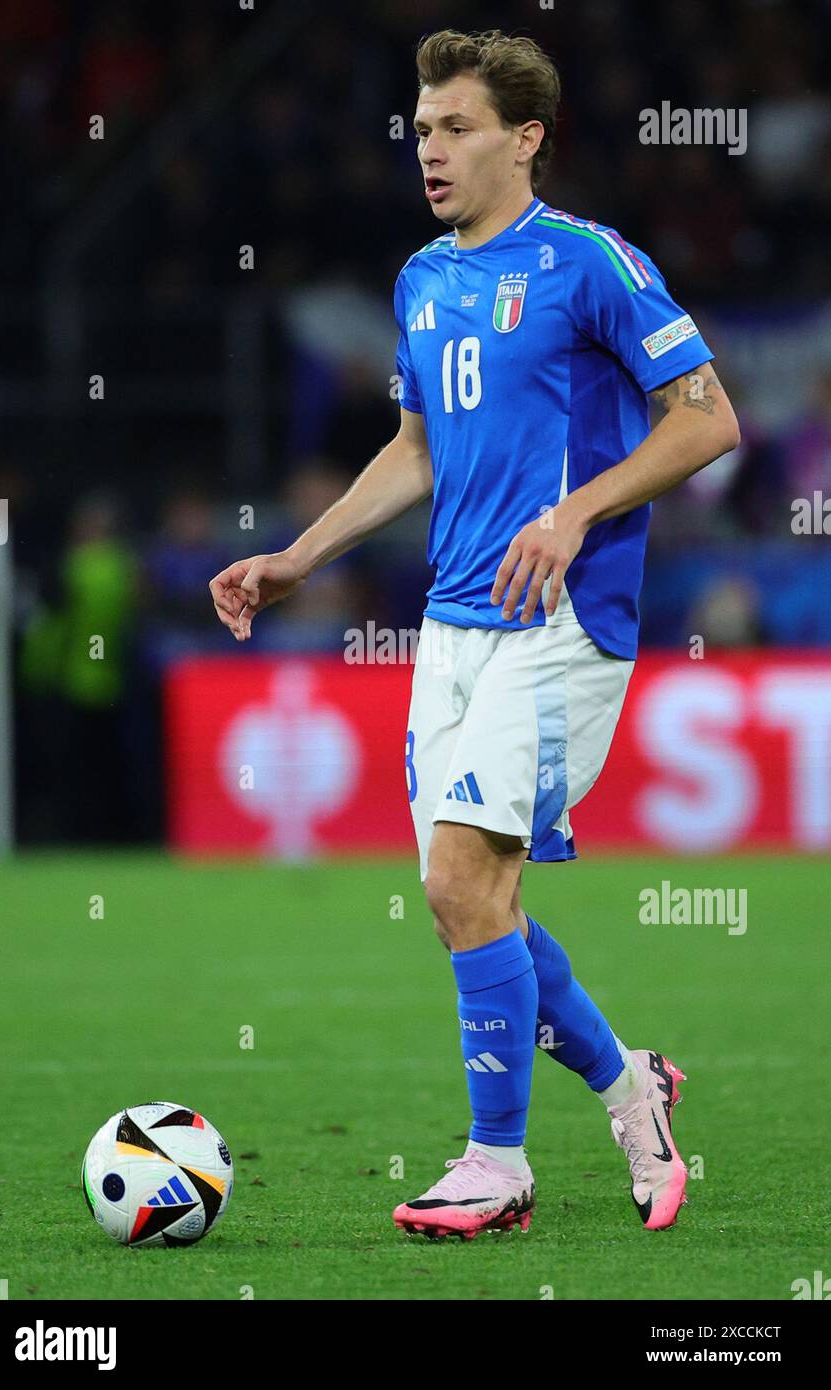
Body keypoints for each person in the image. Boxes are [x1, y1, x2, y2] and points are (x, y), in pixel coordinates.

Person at [210, 28, 740, 1239]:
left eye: (453, 127)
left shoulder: (589, 262)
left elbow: (705, 425)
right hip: (447, 629)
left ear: (525, 138)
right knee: (468, 902)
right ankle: (628, 1083)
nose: (429, 149)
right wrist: (299, 557)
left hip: (560, 623)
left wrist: (574, 511)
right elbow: (413, 453)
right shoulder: (421, 279)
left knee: (462, 877)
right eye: (420, 128)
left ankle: (494, 1166)